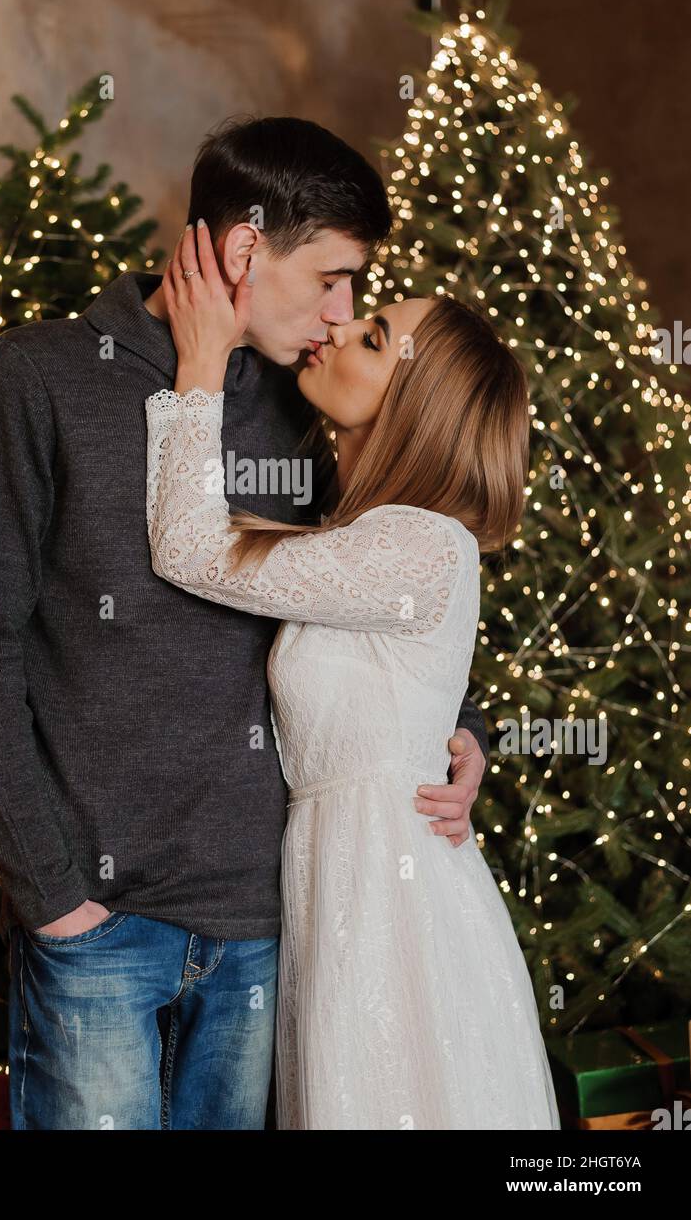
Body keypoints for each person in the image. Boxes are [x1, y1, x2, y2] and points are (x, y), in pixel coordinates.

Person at [0, 115, 490, 1130]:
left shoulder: (313, 408)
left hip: (271, 929)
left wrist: (464, 737)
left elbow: (391, 587)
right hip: (97, 925)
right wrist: (52, 895)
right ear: (242, 249)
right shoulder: (39, 379)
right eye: (331, 277)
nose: (341, 311)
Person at [143, 219, 561, 1129]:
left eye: (372, 336)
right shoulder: (371, 537)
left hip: (389, 896)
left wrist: (201, 361)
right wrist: (463, 738)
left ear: (418, 404)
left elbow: (188, 548)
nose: (336, 328)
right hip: (340, 877)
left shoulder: (419, 543)